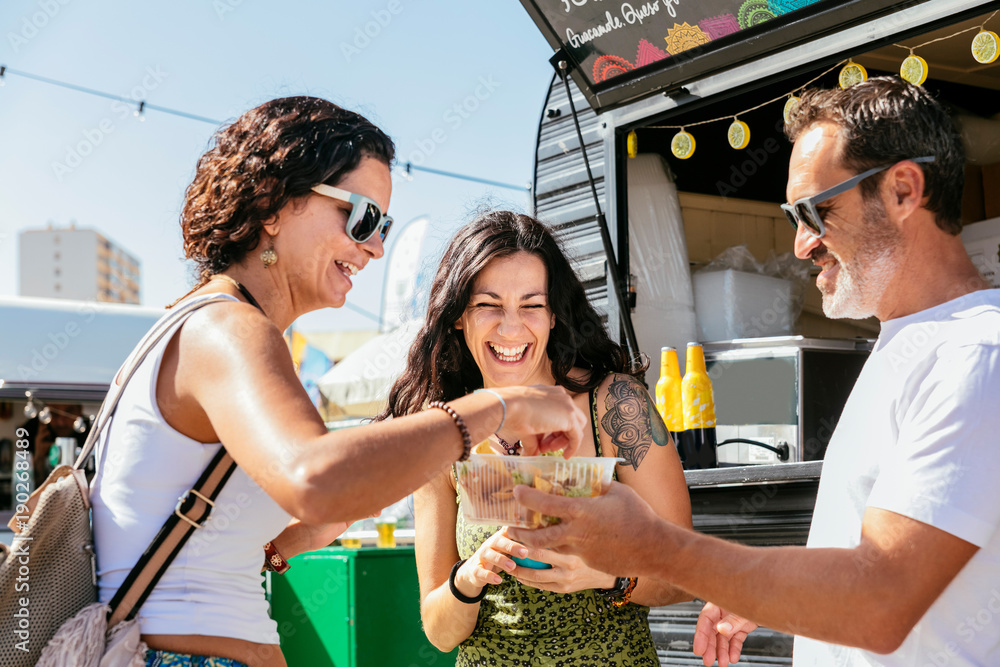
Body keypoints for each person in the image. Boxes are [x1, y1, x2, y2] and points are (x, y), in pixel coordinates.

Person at [506, 76, 1000, 666]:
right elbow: (882, 556)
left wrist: (656, 547)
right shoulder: (915, 344)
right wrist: (766, 586)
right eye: (794, 217)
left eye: (815, 211)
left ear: (902, 190)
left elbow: (881, 601)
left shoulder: (975, 354)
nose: (801, 244)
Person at [90, 98, 587, 667]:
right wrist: (499, 406)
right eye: (363, 217)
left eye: (384, 226)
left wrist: (303, 531)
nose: (375, 247)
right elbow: (315, 477)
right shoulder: (230, 329)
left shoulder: (207, 322)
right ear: (274, 203)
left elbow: (258, 528)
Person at [380, 211, 692, 666]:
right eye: (488, 304)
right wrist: (470, 577)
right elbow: (440, 632)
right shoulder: (443, 431)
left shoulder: (615, 403)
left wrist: (607, 576)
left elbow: (684, 573)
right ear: (458, 317)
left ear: (553, 316)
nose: (511, 327)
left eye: (531, 305)